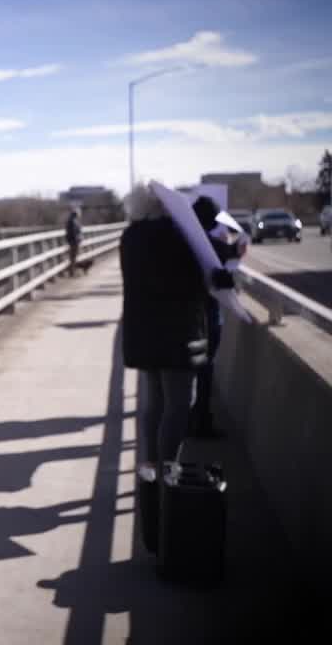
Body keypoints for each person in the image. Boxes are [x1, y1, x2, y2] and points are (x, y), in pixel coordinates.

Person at [118, 184, 233, 552]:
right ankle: (168, 476)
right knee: (180, 405)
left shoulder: (130, 237)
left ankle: (152, 475)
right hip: (177, 335)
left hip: (144, 335)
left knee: (154, 405)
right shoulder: (173, 237)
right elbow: (199, 272)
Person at [189, 196, 245, 438]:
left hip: (188, 313)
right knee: (205, 368)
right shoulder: (211, 244)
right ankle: (200, 421)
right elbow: (234, 253)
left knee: (192, 370)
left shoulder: (187, 241)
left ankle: (192, 418)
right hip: (208, 314)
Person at [64, 208, 82, 276]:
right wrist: (77, 239)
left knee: (73, 257)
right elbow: (74, 232)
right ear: (76, 214)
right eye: (78, 214)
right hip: (74, 242)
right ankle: (72, 272)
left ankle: (73, 271)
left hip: (72, 241)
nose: (79, 215)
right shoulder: (73, 221)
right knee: (73, 257)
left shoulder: (71, 221)